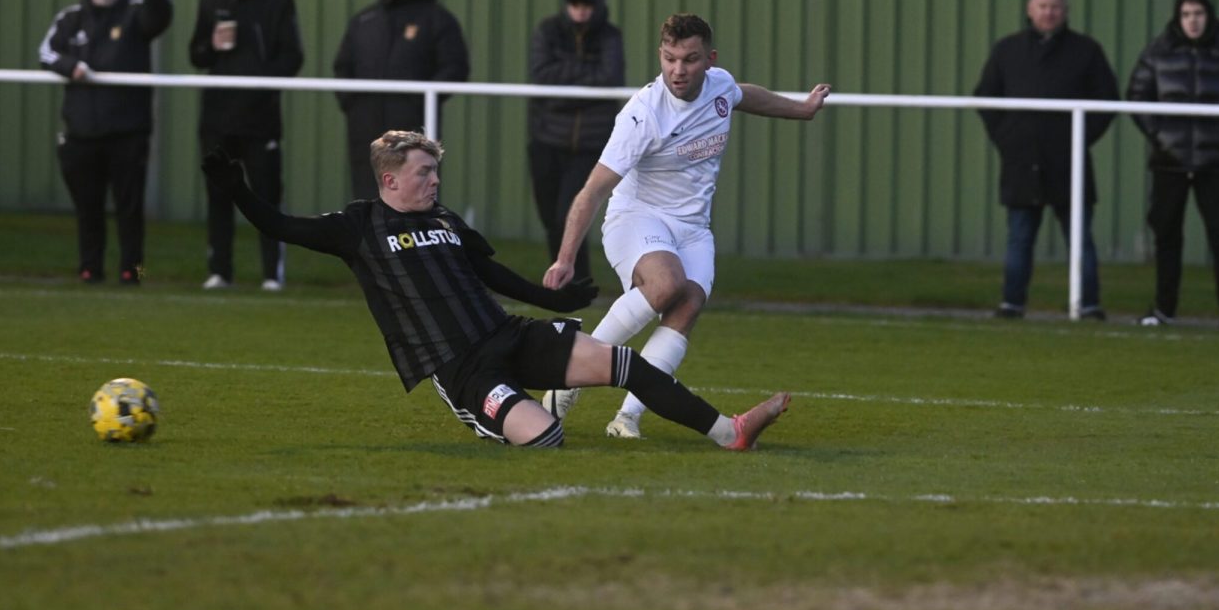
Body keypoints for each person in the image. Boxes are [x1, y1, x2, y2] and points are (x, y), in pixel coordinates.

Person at [200, 130, 791, 450]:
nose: (434, 179)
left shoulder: (446, 221)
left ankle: (729, 432)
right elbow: (281, 226)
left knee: (626, 365)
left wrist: (554, 301)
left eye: (435, 171)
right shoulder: (356, 226)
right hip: (462, 369)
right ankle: (501, 417)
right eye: (423, 172)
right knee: (547, 438)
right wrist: (239, 191)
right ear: (390, 180)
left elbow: (492, 275)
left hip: (508, 334)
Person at [540, 13, 830, 439]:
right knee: (666, 283)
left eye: (690, 59)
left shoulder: (719, 85)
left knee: (687, 302)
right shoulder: (642, 115)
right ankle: (563, 383)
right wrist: (566, 258)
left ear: (709, 59)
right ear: (661, 55)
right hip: (636, 217)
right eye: (670, 59)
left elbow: (742, 95)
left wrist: (801, 110)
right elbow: (593, 191)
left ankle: (627, 418)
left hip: (692, 228)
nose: (678, 70)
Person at [973, 0, 1120, 320]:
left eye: (1055, 6)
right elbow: (985, 98)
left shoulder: (1087, 51)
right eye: (1042, 6)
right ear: (1030, 9)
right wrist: (1008, 137)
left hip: (1070, 164)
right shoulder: (1007, 50)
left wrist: (1079, 138)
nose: (1049, 12)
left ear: (1065, 11)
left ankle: (1088, 305)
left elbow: (1107, 101)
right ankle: (1012, 304)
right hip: (1021, 164)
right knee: (1019, 239)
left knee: (1080, 240)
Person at [38, 0, 172, 285]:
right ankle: (89, 269)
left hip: (128, 132)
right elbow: (46, 52)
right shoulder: (70, 18)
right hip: (82, 133)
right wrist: (73, 67)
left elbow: (160, 16)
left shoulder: (136, 13)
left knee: (130, 210)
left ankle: (134, 272)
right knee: (88, 208)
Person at [1127, 0, 1219, 329]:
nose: (1193, 21)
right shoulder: (1158, 52)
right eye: (1186, 14)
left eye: (1198, 13)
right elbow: (1136, 97)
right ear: (1177, 17)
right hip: (1168, 163)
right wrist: (1161, 137)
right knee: (1167, 235)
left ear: (1208, 16)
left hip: (1212, 164)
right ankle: (1164, 309)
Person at [188, 0, 306, 292]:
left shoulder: (278, 1)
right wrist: (212, 44)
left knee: (267, 197)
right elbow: (196, 55)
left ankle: (273, 274)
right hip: (218, 118)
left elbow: (293, 56)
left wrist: (259, 87)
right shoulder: (211, 1)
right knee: (218, 195)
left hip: (260, 119)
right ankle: (220, 271)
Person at [332, 0, 470, 200]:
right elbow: (342, 66)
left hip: (412, 131)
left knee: (413, 194)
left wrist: (419, 102)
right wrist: (352, 103)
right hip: (365, 130)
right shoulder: (364, 20)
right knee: (367, 197)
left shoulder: (435, 19)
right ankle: (368, 243)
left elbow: (454, 66)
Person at [527, 0, 626, 282]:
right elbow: (542, 75)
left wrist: (564, 91)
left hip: (589, 145)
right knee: (549, 217)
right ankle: (560, 279)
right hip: (546, 140)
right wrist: (582, 86)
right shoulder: (548, 31)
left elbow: (609, 77)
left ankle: (575, 281)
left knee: (567, 215)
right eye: (575, 3)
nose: (581, 10)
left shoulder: (610, 36)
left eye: (587, 4)